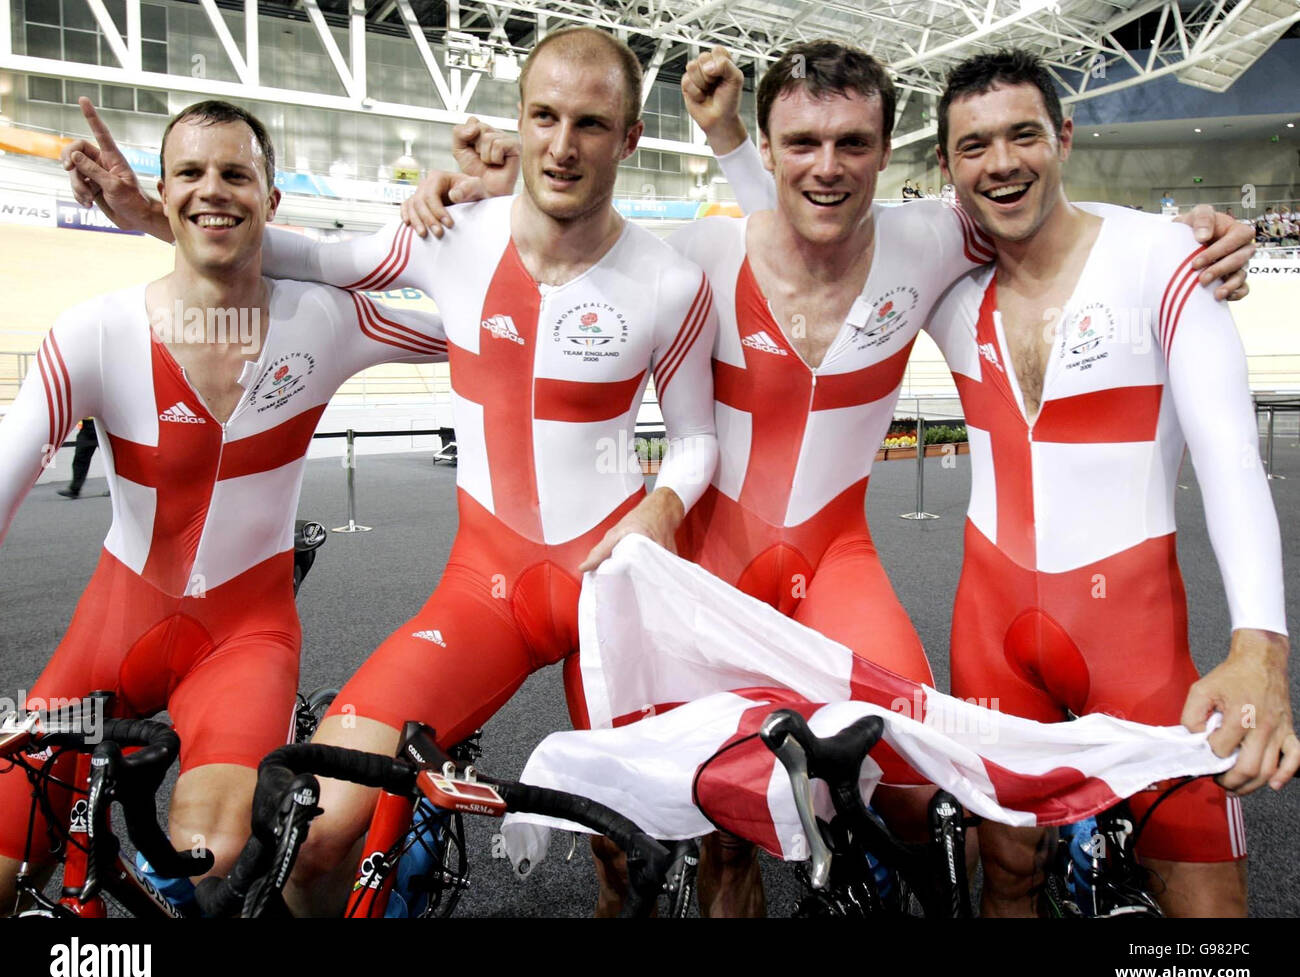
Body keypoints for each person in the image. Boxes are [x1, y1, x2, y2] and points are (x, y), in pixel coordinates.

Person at [403, 40, 1254, 917]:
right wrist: (490, 197)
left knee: (919, 798)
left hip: (837, 564)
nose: (829, 166)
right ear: (764, 151)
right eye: (801, 144)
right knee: (720, 842)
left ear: (888, 155)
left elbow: (1038, 207)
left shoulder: (929, 242)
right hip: (711, 579)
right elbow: (578, 229)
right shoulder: (691, 251)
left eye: (855, 144)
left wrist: (1179, 235)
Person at [68, 27, 720, 918]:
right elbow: (302, 256)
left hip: (614, 587)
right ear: (518, 123)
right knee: (320, 825)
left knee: (632, 857)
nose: (564, 145)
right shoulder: (452, 236)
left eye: (592, 125)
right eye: (545, 117)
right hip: (484, 589)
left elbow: (695, 439)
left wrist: (663, 509)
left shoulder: (670, 280)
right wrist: (154, 215)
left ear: (632, 137)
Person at [0, 99, 448, 908]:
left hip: (243, 639)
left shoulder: (326, 320)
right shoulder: (94, 332)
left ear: (273, 202)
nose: (214, 190)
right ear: (161, 195)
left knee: (206, 874)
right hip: (112, 632)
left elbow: (480, 328)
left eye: (237, 176)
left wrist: (464, 216)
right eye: (192, 176)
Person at [923, 49, 1294, 917]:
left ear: (1066, 136)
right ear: (947, 167)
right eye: (974, 145)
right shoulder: (946, 282)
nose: (1002, 162)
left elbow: (1232, 453)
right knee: (1006, 879)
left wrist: (1260, 649)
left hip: (1134, 637)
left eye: (1023, 134)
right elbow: (802, 227)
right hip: (993, 634)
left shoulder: (1165, 256)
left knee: (1209, 909)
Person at [56, 417, 98, 498]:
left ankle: (118, 488)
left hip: (102, 424)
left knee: (112, 459)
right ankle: (74, 490)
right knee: (80, 457)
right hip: (87, 425)